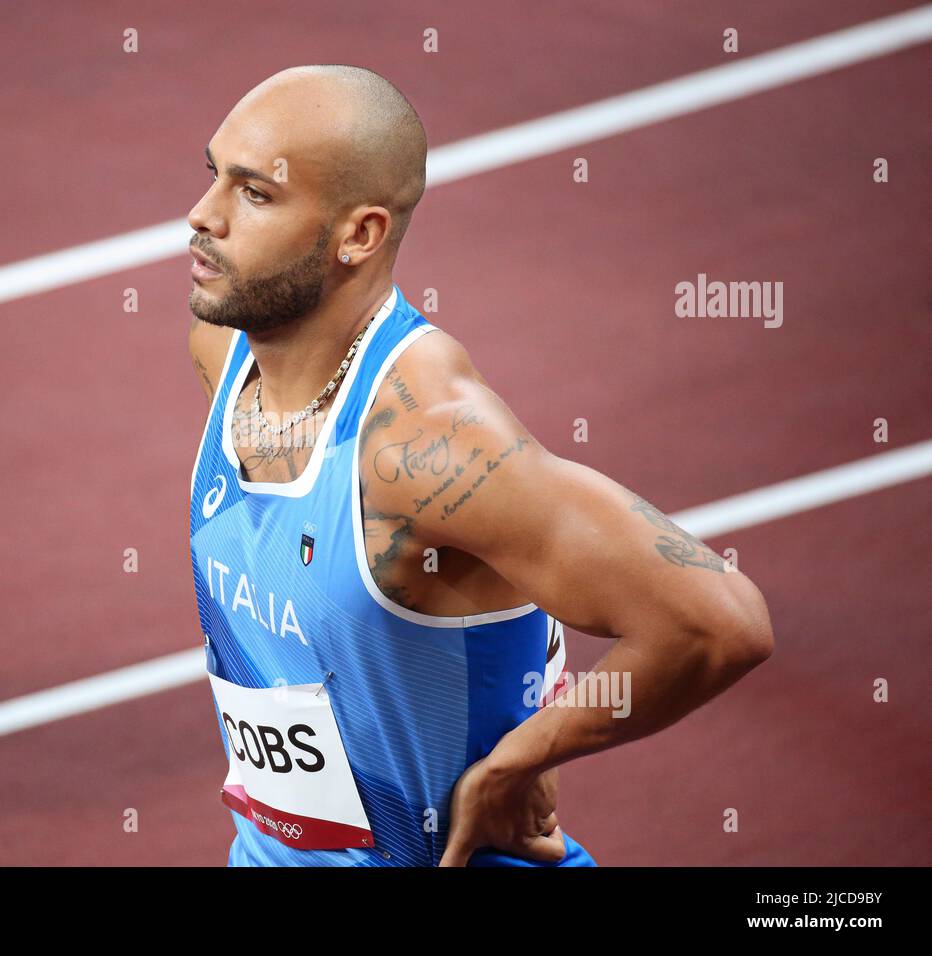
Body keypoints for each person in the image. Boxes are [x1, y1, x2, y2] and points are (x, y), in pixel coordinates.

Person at [186, 64, 774, 867]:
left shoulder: (428, 445)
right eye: (214, 175)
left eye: (254, 194)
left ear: (359, 235)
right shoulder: (226, 357)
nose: (202, 217)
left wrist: (521, 758)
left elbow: (717, 623)